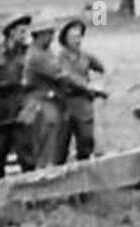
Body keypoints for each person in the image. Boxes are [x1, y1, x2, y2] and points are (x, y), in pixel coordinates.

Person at [19, 14, 106, 168]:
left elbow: (98, 67)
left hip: (52, 104)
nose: (51, 37)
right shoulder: (37, 55)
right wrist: (89, 87)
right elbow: (62, 75)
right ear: (40, 35)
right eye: (49, 34)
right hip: (41, 106)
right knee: (48, 152)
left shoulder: (46, 52)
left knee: (58, 148)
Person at [0, 13, 35, 176]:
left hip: (20, 102)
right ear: (11, 32)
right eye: (21, 31)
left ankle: (32, 192)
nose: (25, 35)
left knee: (26, 151)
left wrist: (28, 108)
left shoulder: (28, 53)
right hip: (0, 106)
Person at [54, 16, 105, 162]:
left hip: (84, 103)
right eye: (73, 37)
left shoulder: (86, 56)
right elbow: (67, 77)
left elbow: (101, 68)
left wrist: (99, 83)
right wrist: (88, 86)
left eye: (79, 36)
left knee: (86, 139)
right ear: (65, 38)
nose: (77, 40)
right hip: (66, 103)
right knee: (61, 144)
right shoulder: (60, 57)